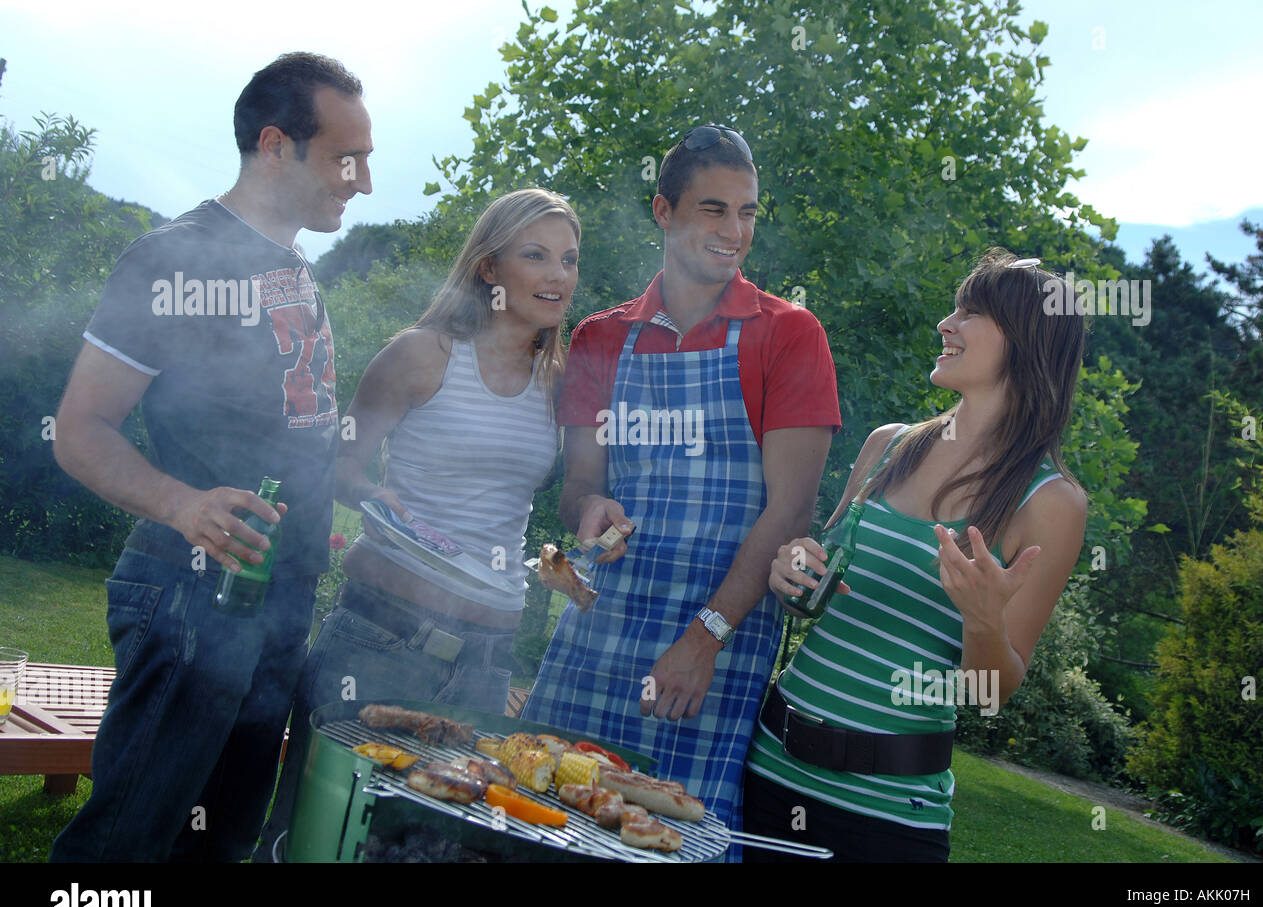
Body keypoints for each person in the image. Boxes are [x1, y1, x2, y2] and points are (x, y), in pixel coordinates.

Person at [48, 53, 372, 862]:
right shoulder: (175, 257)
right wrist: (181, 505)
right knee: (121, 852)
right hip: (193, 596)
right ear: (274, 145)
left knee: (216, 847)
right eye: (345, 156)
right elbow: (81, 428)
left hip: (275, 605)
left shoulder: (295, 265)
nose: (362, 180)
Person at [522, 125, 842, 857]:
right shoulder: (602, 339)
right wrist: (588, 512)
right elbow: (579, 490)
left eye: (749, 212)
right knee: (539, 817)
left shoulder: (789, 335)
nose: (736, 232)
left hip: (716, 642)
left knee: (669, 839)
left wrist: (704, 639)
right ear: (663, 212)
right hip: (597, 631)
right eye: (714, 210)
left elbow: (788, 511)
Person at [254, 188, 577, 861]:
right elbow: (339, 464)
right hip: (382, 635)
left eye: (569, 260)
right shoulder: (421, 355)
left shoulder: (560, 383)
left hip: (487, 658)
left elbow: (554, 504)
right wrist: (376, 492)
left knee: (437, 848)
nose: (558, 275)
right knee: (316, 837)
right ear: (489, 268)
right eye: (536, 255)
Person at [744, 250, 1089, 862]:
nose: (946, 324)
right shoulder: (887, 446)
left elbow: (991, 694)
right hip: (769, 772)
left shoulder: (1050, 501)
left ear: (1028, 342)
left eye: (972, 312)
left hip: (885, 819)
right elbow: (818, 587)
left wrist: (983, 619)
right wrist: (792, 569)